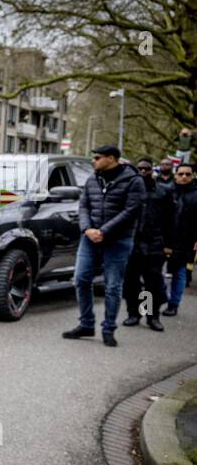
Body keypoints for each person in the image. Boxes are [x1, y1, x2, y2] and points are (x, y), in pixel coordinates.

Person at [62, 144, 143, 347]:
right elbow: (83, 206)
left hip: (118, 240)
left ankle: (108, 329)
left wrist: (104, 231)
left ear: (111, 159)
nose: (93, 161)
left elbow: (131, 210)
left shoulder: (134, 181)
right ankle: (86, 324)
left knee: (113, 286)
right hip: (90, 238)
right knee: (80, 279)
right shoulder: (93, 179)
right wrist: (87, 229)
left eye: (97, 158)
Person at [121, 159, 174, 331]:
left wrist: (168, 244)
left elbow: (170, 220)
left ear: (152, 170)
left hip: (154, 243)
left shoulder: (163, 192)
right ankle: (133, 313)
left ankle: (151, 316)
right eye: (140, 168)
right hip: (133, 241)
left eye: (147, 168)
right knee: (131, 281)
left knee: (152, 281)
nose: (143, 171)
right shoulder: (130, 190)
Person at [165, 162, 197, 315]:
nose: (184, 177)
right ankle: (148, 307)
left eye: (188, 174)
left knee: (179, 273)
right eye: (181, 174)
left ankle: (173, 304)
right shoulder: (166, 192)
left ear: (193, 176)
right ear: (175, 175)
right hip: (162, 239)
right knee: (151, 273)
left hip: (185, 240)